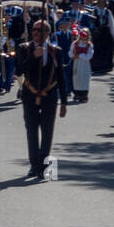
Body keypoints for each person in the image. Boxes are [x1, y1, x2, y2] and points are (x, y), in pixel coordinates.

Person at [17, 18, 68, 179]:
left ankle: (44, 164)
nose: (37, 34)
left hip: (49, 96)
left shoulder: (55, 51)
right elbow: (19, 70)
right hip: (30, 95)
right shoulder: (24, 48)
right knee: (31, 131)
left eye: (41, 31)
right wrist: (33, 56)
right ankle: (34, 165)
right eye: (34, 30)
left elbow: (61, 77)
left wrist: (64, 102)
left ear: (48, 33)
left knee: (47, 132)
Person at [90, 0, 114, 74]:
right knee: (97, 50)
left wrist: (113, 34)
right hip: (96, 33)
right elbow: (91, 23)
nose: (101, 3)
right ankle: (96, 67)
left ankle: (105, 67)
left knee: (106, 50)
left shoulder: (108, 12)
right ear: (97, 2)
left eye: (103, 2)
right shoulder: (94, 11)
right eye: (100, 1)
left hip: (105, 33)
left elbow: (111, 23)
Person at [69, 25, 94, 102]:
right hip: (77, 63)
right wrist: (73, 55)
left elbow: (89, 55)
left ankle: (84, 95)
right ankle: (77, 94)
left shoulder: (89, 45)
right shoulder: (75, 43)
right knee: (76, 78)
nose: (83, 37)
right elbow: (70, 52)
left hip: (85, 64)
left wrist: (80, 55)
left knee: (84, 78)